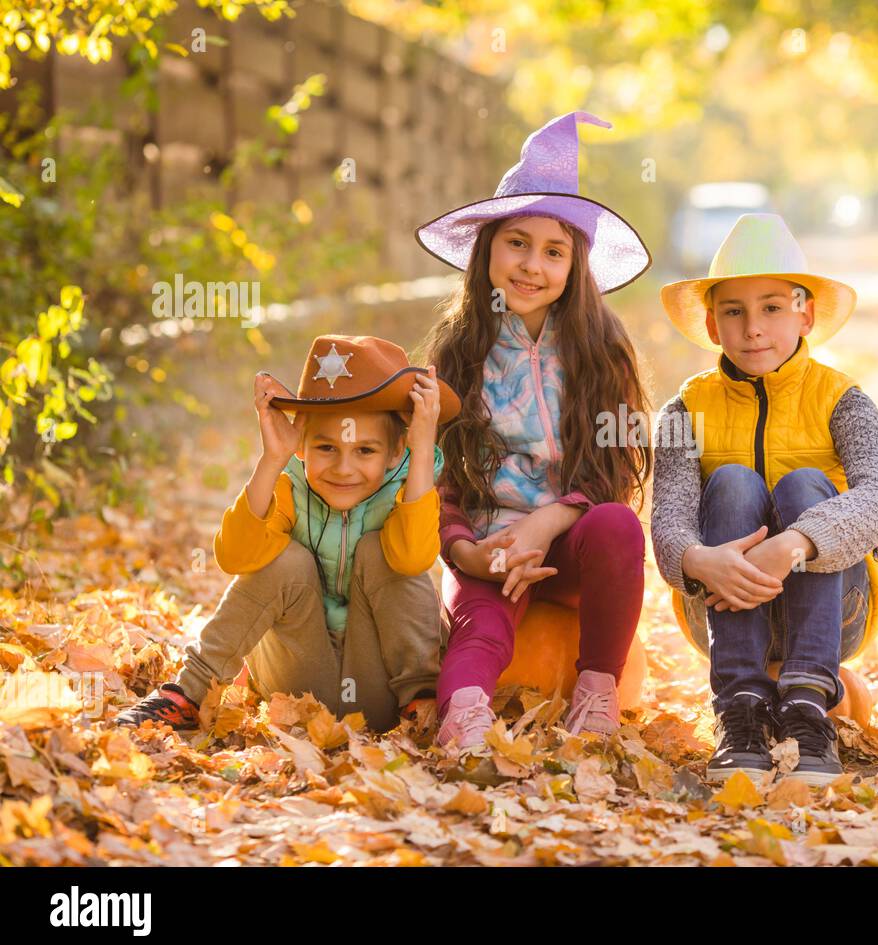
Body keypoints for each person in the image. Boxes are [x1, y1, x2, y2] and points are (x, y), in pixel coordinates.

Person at [413, 111, 653, 748]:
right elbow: (431, 475)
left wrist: (547, 522)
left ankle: (598, 691)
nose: (531, 265)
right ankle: (464, 721)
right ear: (487, 245)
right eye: (516, 242)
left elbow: (613, 473)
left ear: (576, 267)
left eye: (554, 252)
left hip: (573, 545)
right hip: (489, 548)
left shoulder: (603, 350)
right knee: (481, 632)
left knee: (619, 527)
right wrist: (468, 553)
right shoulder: (456, 353)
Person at [651, 213, 878, 785]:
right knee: (733, 482)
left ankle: (809, 703)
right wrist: (697, 559)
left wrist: (795, 542)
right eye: (733, 311)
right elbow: (667, 519)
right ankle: (739, 705)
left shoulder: (843, 399)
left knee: (802, 486)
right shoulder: (685, 411)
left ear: (805, 313)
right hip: (721, 604)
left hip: (836, 610)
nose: (753, 328)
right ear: (713, 326)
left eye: (772, 307)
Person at [117, 335, 459, 733]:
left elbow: (414, 559)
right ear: (301, 445)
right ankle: (186, 694)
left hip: (383, 689)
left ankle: (422, 703)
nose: (343, 468)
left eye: (365, 451)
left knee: (382, 551)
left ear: (395, 453)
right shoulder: (288, 490)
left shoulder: (407, 492)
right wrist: (272, 460)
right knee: (286, 559)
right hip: (298, 686)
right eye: (326, 448)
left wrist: (421, 454)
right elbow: (235, 557)